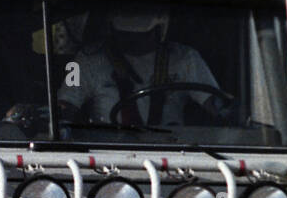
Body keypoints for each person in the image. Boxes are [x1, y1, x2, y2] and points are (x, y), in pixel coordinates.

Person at [57, 7, 227, 127]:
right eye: (125, 34)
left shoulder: (186, 58)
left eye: (141, 35)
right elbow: (65, 105)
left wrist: (229, 110)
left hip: (172, 151)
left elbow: (216, 105)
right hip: (108, 152)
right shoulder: (83, 61)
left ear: (160, 30)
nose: (132, 41)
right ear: (112, 30)